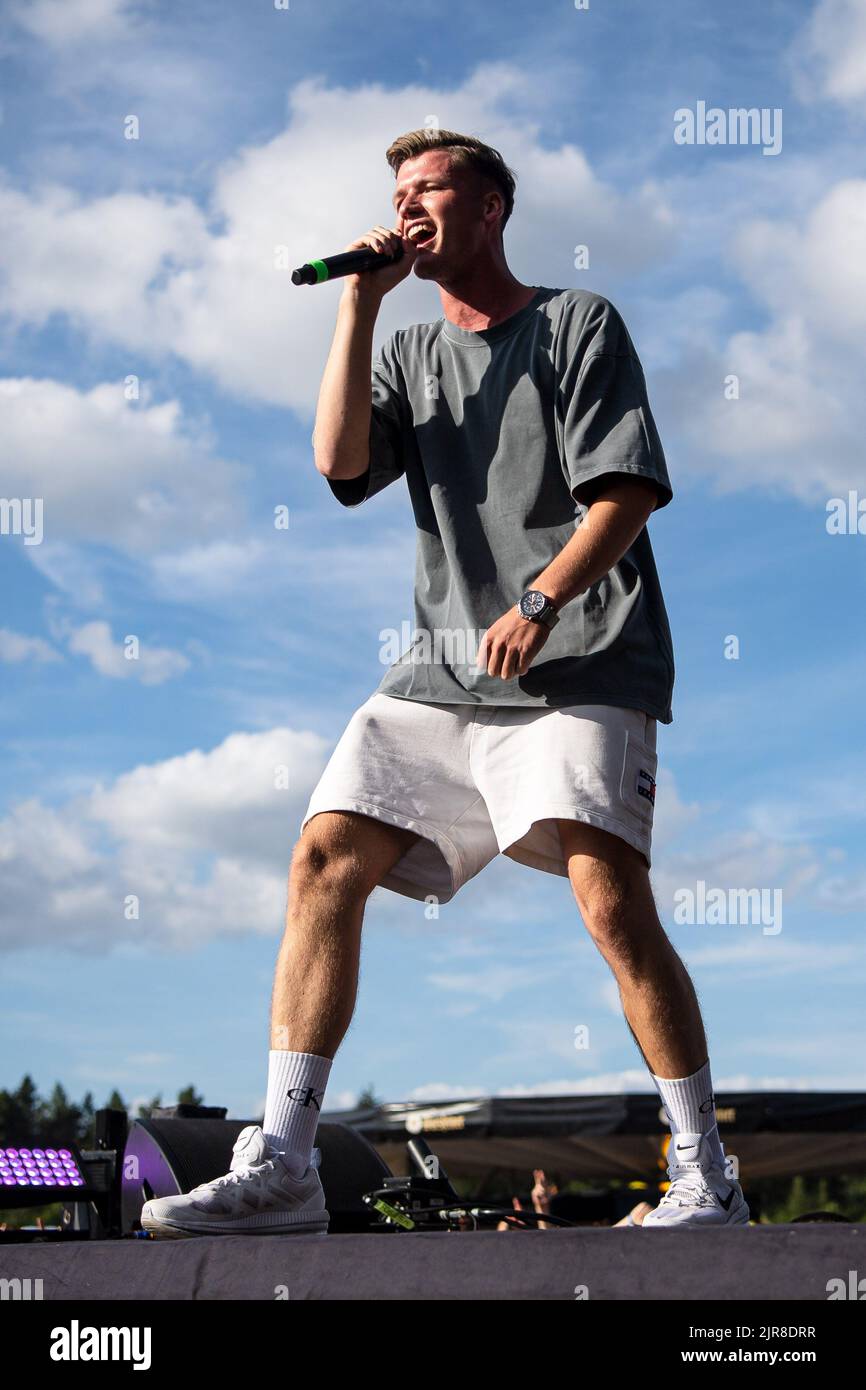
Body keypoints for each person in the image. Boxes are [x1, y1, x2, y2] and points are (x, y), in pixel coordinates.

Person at [142, 128, 748, 1238]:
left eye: (431, 189)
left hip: (580, 649)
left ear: (490, 210)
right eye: (397, 193)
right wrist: (356, 304)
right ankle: (282, 1165)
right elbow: (336, 466)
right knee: (324, 852)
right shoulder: (403, 348)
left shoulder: (576, 321)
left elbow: (624, 493)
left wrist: (539, 598)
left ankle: (707, 1175)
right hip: (439, 667)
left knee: (609, 903)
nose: (408, 206)